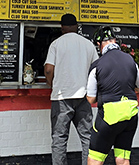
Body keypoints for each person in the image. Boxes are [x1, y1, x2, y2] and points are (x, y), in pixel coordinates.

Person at [44, 13, 99, 165]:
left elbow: (48, 70)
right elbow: (97, 70)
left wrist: (53, 84)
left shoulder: (56, 44)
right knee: (87, 137)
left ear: (61, 28)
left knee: (59, 139)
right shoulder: (88, 44)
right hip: (83, 97)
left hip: (61, 98)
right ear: (77, 27)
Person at [86, 26, 139, 165]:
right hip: (130, 115)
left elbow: (90, 99)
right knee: (123, 158)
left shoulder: (97, 65)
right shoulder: (130, 60)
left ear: (100, 44)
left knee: (95, 158)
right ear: (115, 41)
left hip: (109, 116)